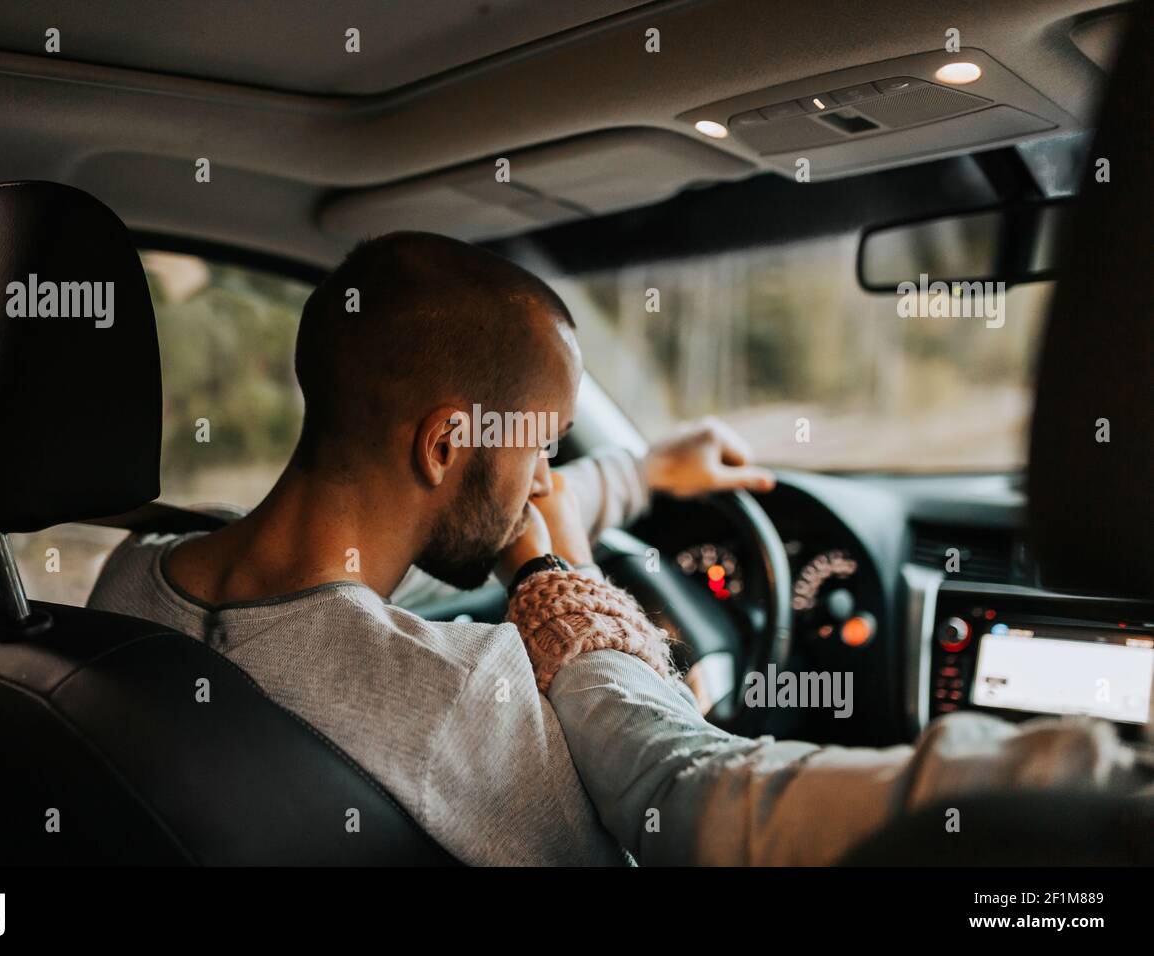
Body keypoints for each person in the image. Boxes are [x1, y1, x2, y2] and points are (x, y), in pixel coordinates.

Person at [89, 231, 1143, 866]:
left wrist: (634, 473)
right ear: (449, 440)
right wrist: (572, 592)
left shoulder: (127, 584)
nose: (546, 481)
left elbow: (396, 554)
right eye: (544, 447)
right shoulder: (463, 697)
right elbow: (672, 810)